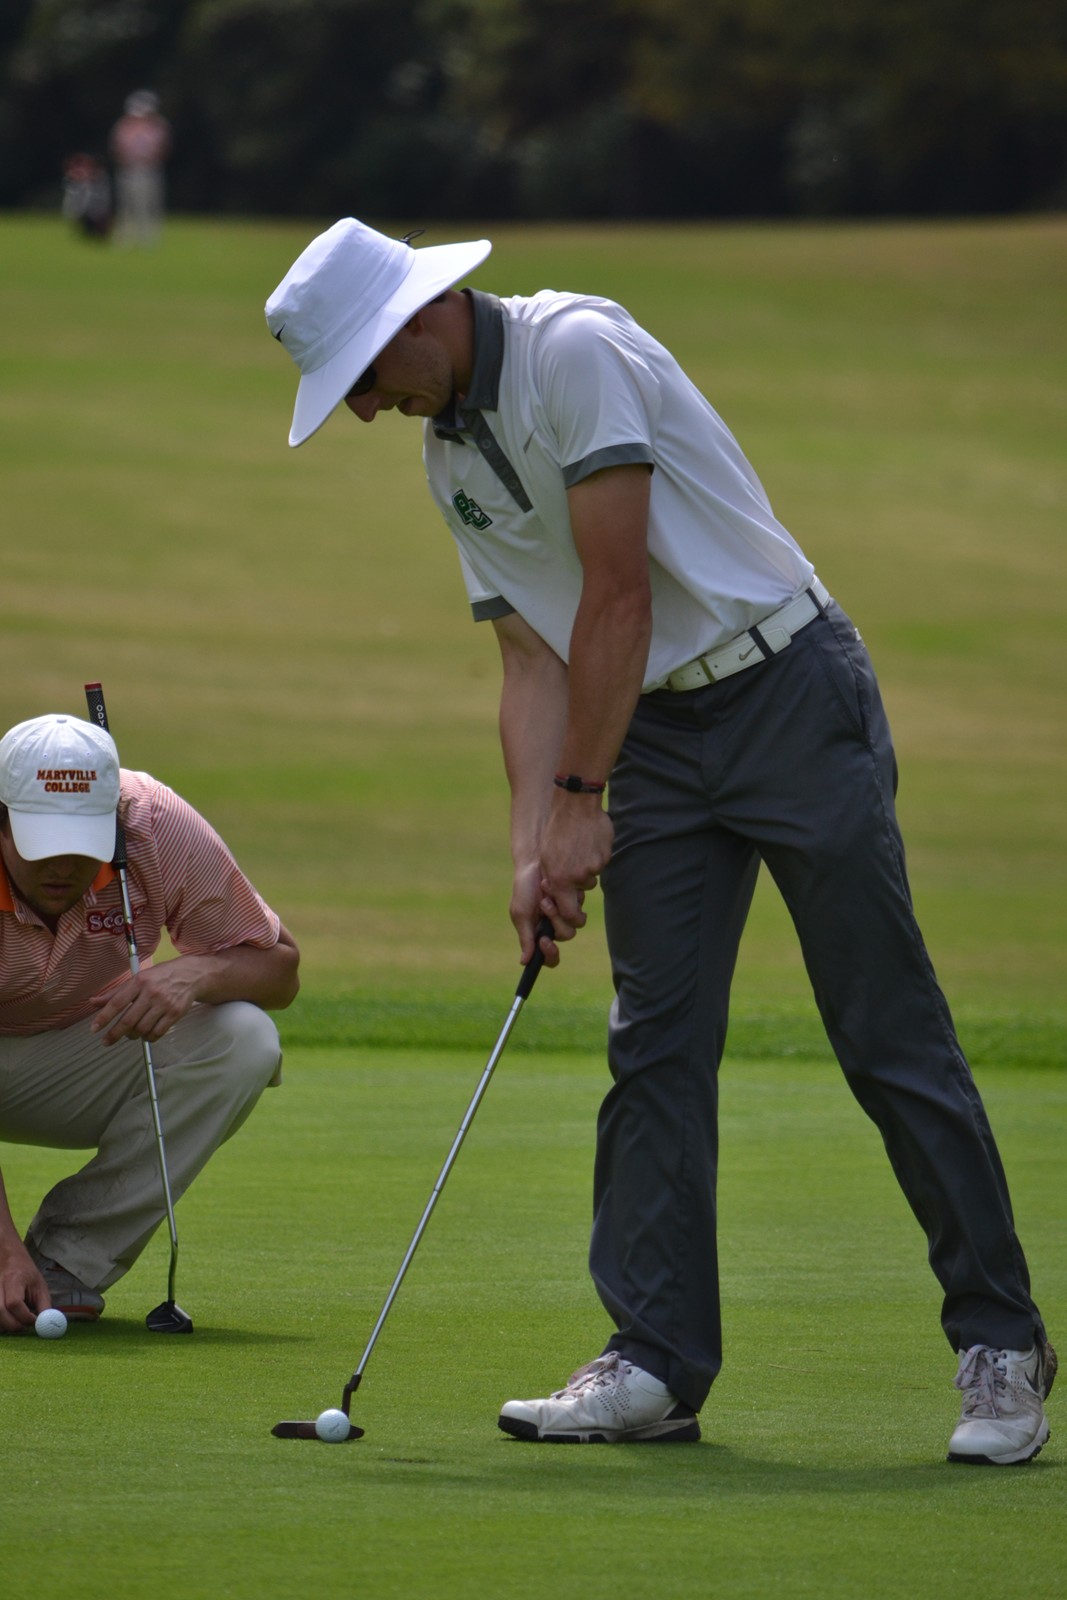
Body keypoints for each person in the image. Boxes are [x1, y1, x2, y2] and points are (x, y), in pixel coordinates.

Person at [264, 218, 1054, 1465]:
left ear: (417, 318)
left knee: (882, 1024)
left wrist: (583, 795)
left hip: (784, 689)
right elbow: (529, 655)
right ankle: (653, 1359)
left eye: (362, 378)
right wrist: (531, 843)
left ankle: (1000, 1342)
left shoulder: (573, 351)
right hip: (648, 732)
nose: (364, 410)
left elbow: (618, 592)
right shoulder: (447, 454)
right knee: (654, 1043)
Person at [0, 712, 299, 1332]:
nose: (62, 865)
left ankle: (65, 1260)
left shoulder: (152, 822)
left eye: (82, 841)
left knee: (244, 1038)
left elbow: (280, 971)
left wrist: (198, 973)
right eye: (40, 841)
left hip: (73, 1053)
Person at [109, 90, 171, 248]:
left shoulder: (158, 126)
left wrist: (150, 159)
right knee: (126, 204)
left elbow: (163, 148)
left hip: (150, 169)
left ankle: (147, 237)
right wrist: (126, 160)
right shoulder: (123, 126)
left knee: (149, 203)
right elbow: (117, 147)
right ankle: (125, 237)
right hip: (128, 169)